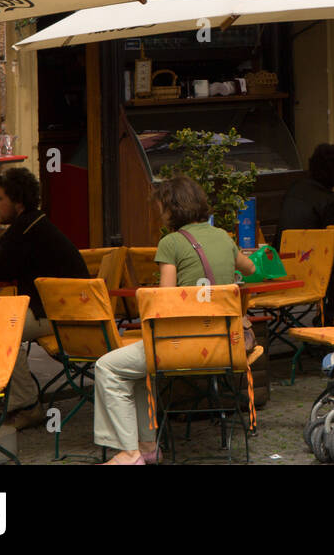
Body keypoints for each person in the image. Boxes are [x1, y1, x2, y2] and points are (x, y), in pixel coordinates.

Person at [93, 174, 255, 465]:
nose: (159, 215)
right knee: (136, 372)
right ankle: (147, 447)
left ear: (172, 208)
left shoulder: (171, 243)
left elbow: (165, 301)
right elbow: (251, 268)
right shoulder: (222, 236)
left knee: (107, 366)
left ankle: (129, 455)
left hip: (182, 346)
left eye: (161, 208)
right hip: (224, 347)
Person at [0, 166, 88, 428]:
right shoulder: (32, 225)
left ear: (18, 201)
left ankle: (26, 404)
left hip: (64, 313)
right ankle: (20, 400)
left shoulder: (25, 230)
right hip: (63, 308)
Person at [277, 143, 334, 234]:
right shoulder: (330, 200)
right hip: (307, 247)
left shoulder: (295, 188)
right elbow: (329, 239)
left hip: (281, 247)